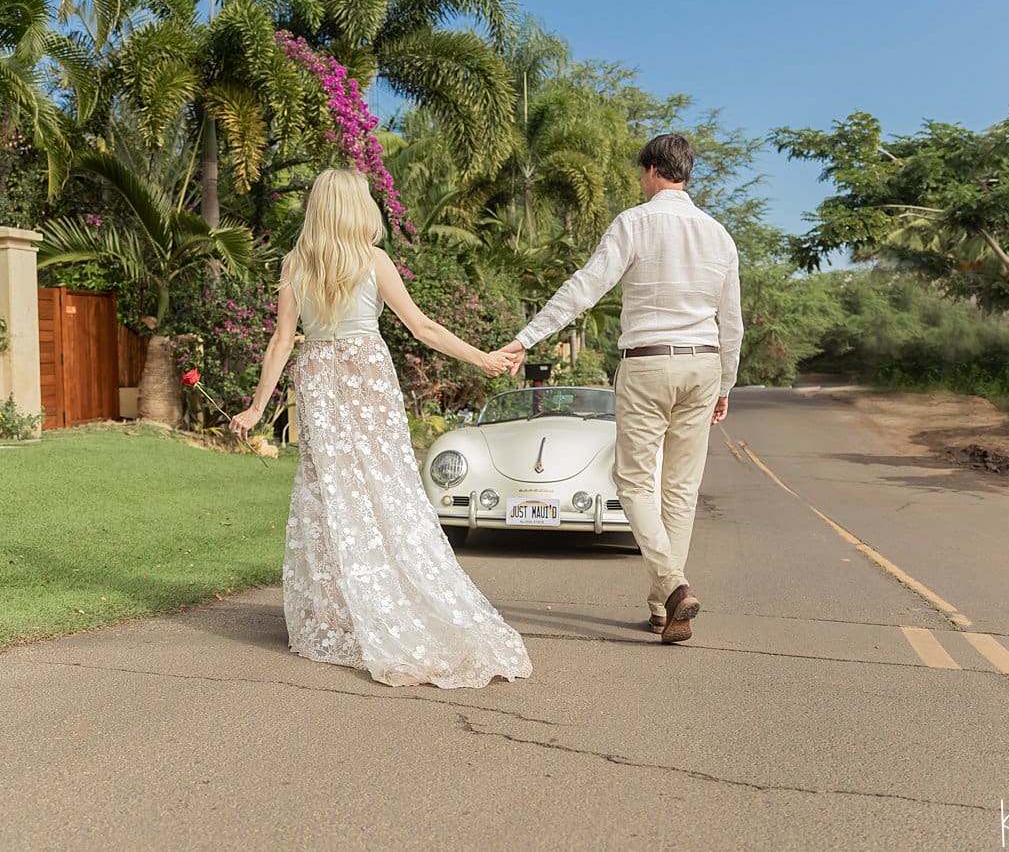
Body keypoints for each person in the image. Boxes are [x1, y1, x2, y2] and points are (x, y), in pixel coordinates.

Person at [231, 168, 531, 689]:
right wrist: (481, 358)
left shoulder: (294, 264)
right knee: (385, 488)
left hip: (321, 377)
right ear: (355, 207)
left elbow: (282, 343)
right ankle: (382, 602)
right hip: (367, 375)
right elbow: (424, 328)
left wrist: (257, 408)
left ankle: (337, 614)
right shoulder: (373, 260)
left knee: (331, 492)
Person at [502, 134, 742, 644]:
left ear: (654, 170)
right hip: (703, 365)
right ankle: (662, 609)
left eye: (641, 172)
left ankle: (673, 584)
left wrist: (526, 338)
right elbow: (732, 322)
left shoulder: (636, 222)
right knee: (680, 490)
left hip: (649, 365)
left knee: (633, 482)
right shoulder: (719, 235)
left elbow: (584, 288)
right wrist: (726, 383)